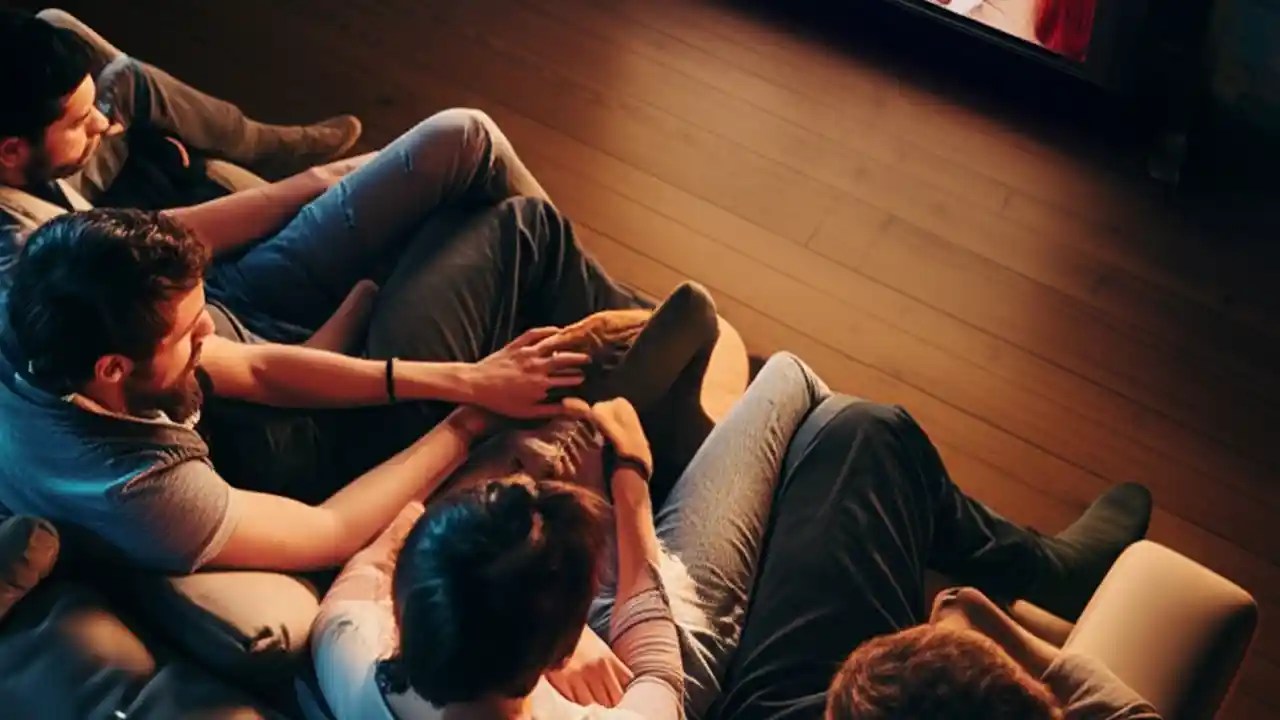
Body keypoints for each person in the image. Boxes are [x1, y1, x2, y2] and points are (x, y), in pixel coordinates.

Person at [311, 353, 1157, 720]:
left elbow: (350, 588)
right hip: (710, 682)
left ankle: (723, 437)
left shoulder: (356, 668)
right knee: (824, 404)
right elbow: (658, 663)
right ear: (567, 631)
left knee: (850, 429)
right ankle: (679, 439)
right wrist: (631, 480)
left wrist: (414, 535)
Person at [0, 8, 361, 224]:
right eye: (79, 121)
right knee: (129, 83)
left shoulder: (18, 155)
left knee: (55, 22)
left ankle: (259, 143)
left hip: (39, 171)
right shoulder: (21, 231)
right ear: (12, 151)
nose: (103, 123)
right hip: (73, 207)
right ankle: (263, 146)